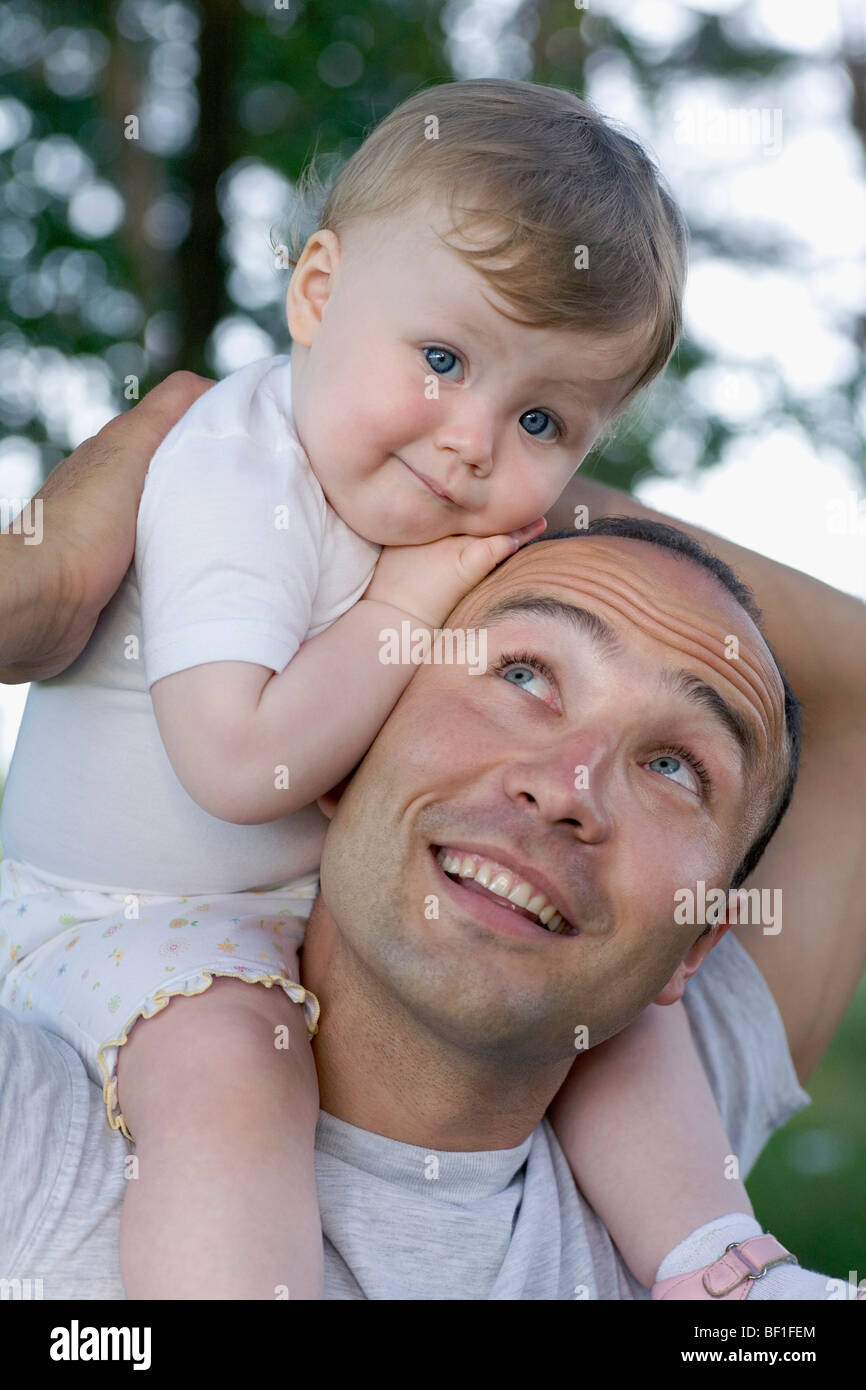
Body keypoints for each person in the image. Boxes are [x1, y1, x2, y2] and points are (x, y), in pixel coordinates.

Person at [1, 79, 864, 1301]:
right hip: (120, 926)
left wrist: (527, 530)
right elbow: (241, 765)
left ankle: (722, 1267)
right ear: (315, 294)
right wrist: (34, 574)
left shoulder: (435, 528)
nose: (469, 444)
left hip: (267, 916)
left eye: (544, 418)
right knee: (233, 1073)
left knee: (607, 1014)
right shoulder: (233, 481)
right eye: (443, 359)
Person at [1, 473, 865, 1297]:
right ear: (342, 754)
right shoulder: (36, 1131)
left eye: (675, 767)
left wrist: (432, 459)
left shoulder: (686, 1176)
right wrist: (47, 569)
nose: (570, 785)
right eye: (523, 674)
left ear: (695, 945)